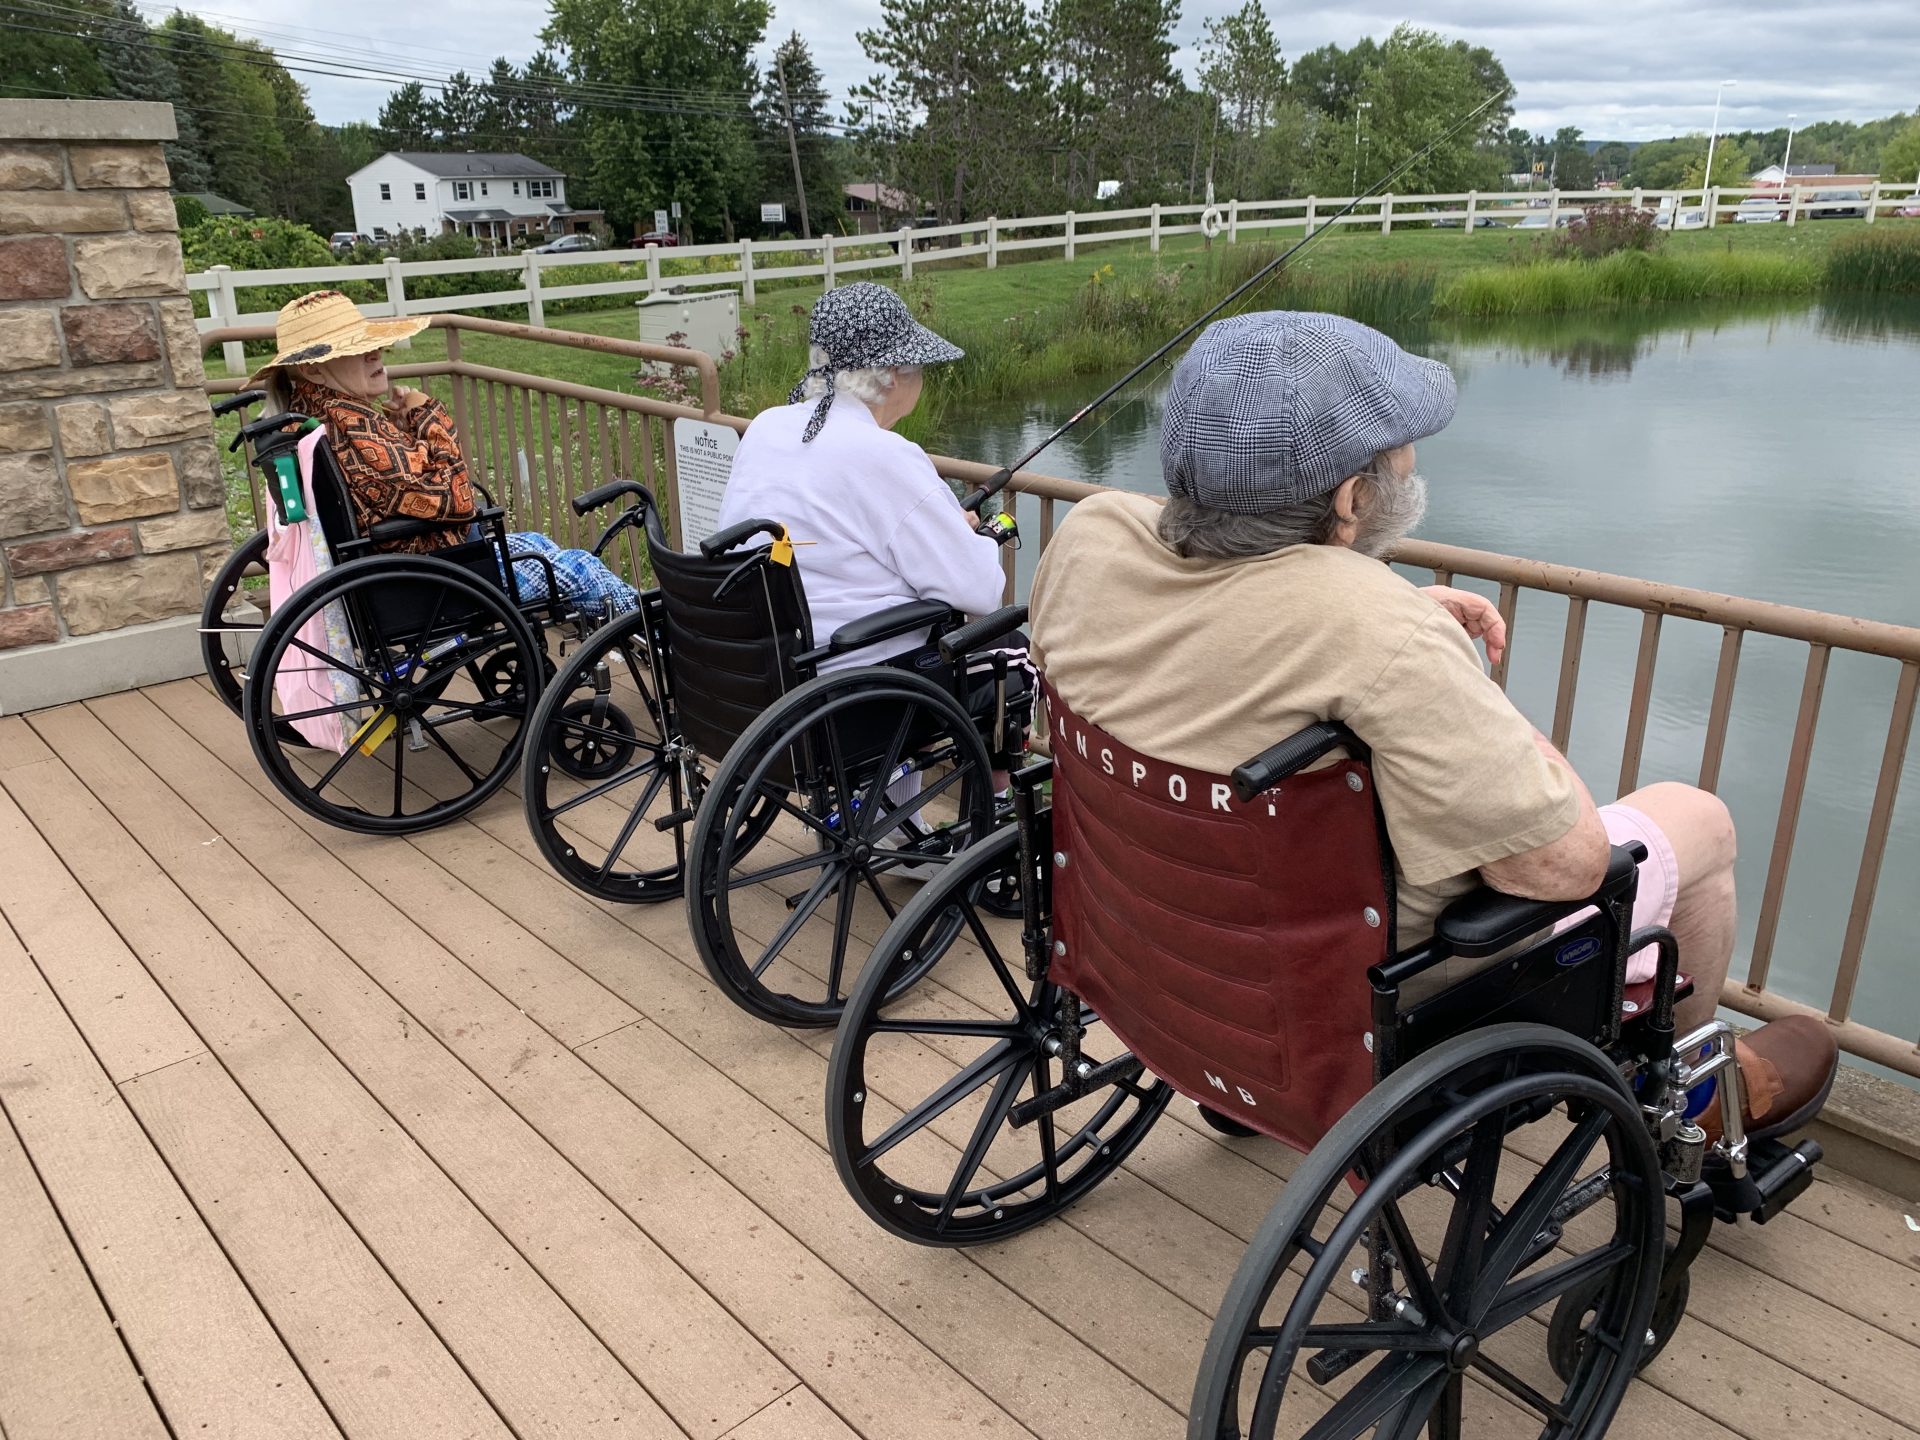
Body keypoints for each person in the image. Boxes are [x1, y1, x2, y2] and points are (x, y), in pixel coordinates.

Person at [1027, 309, 1836, 1144]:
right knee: (1699, 820)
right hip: (1357, 994)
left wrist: (1386, 629)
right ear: (1349, 498)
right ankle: (1694, 1102)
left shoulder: (1093, 537)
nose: (1412, 463)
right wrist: (1432, 661)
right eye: (1400, 450)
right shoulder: (1371, 629)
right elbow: (1566, 866)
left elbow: (1222, 640)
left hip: (1152, 940)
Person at [252, 290, 637, 622]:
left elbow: (396, 485)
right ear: (312, 368)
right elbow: (458, 501)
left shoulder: (314, 414)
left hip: (404, 565)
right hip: (433, 576)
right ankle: (661, 640)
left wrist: (405, 426)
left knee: (539, 543)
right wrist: (427, 415)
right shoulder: (353, 428)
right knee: (583, 572)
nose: (376, 353)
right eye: (357, 349)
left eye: (371, 343)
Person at [718, 282, 1008, 670]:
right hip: (852, 686)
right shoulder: (885, 455)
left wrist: (944, 525)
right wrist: (967, 535)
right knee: (1012, 650)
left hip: (756, 667)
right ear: (891, 375)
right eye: (917, 365)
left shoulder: (765, 426)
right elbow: (982, 590)